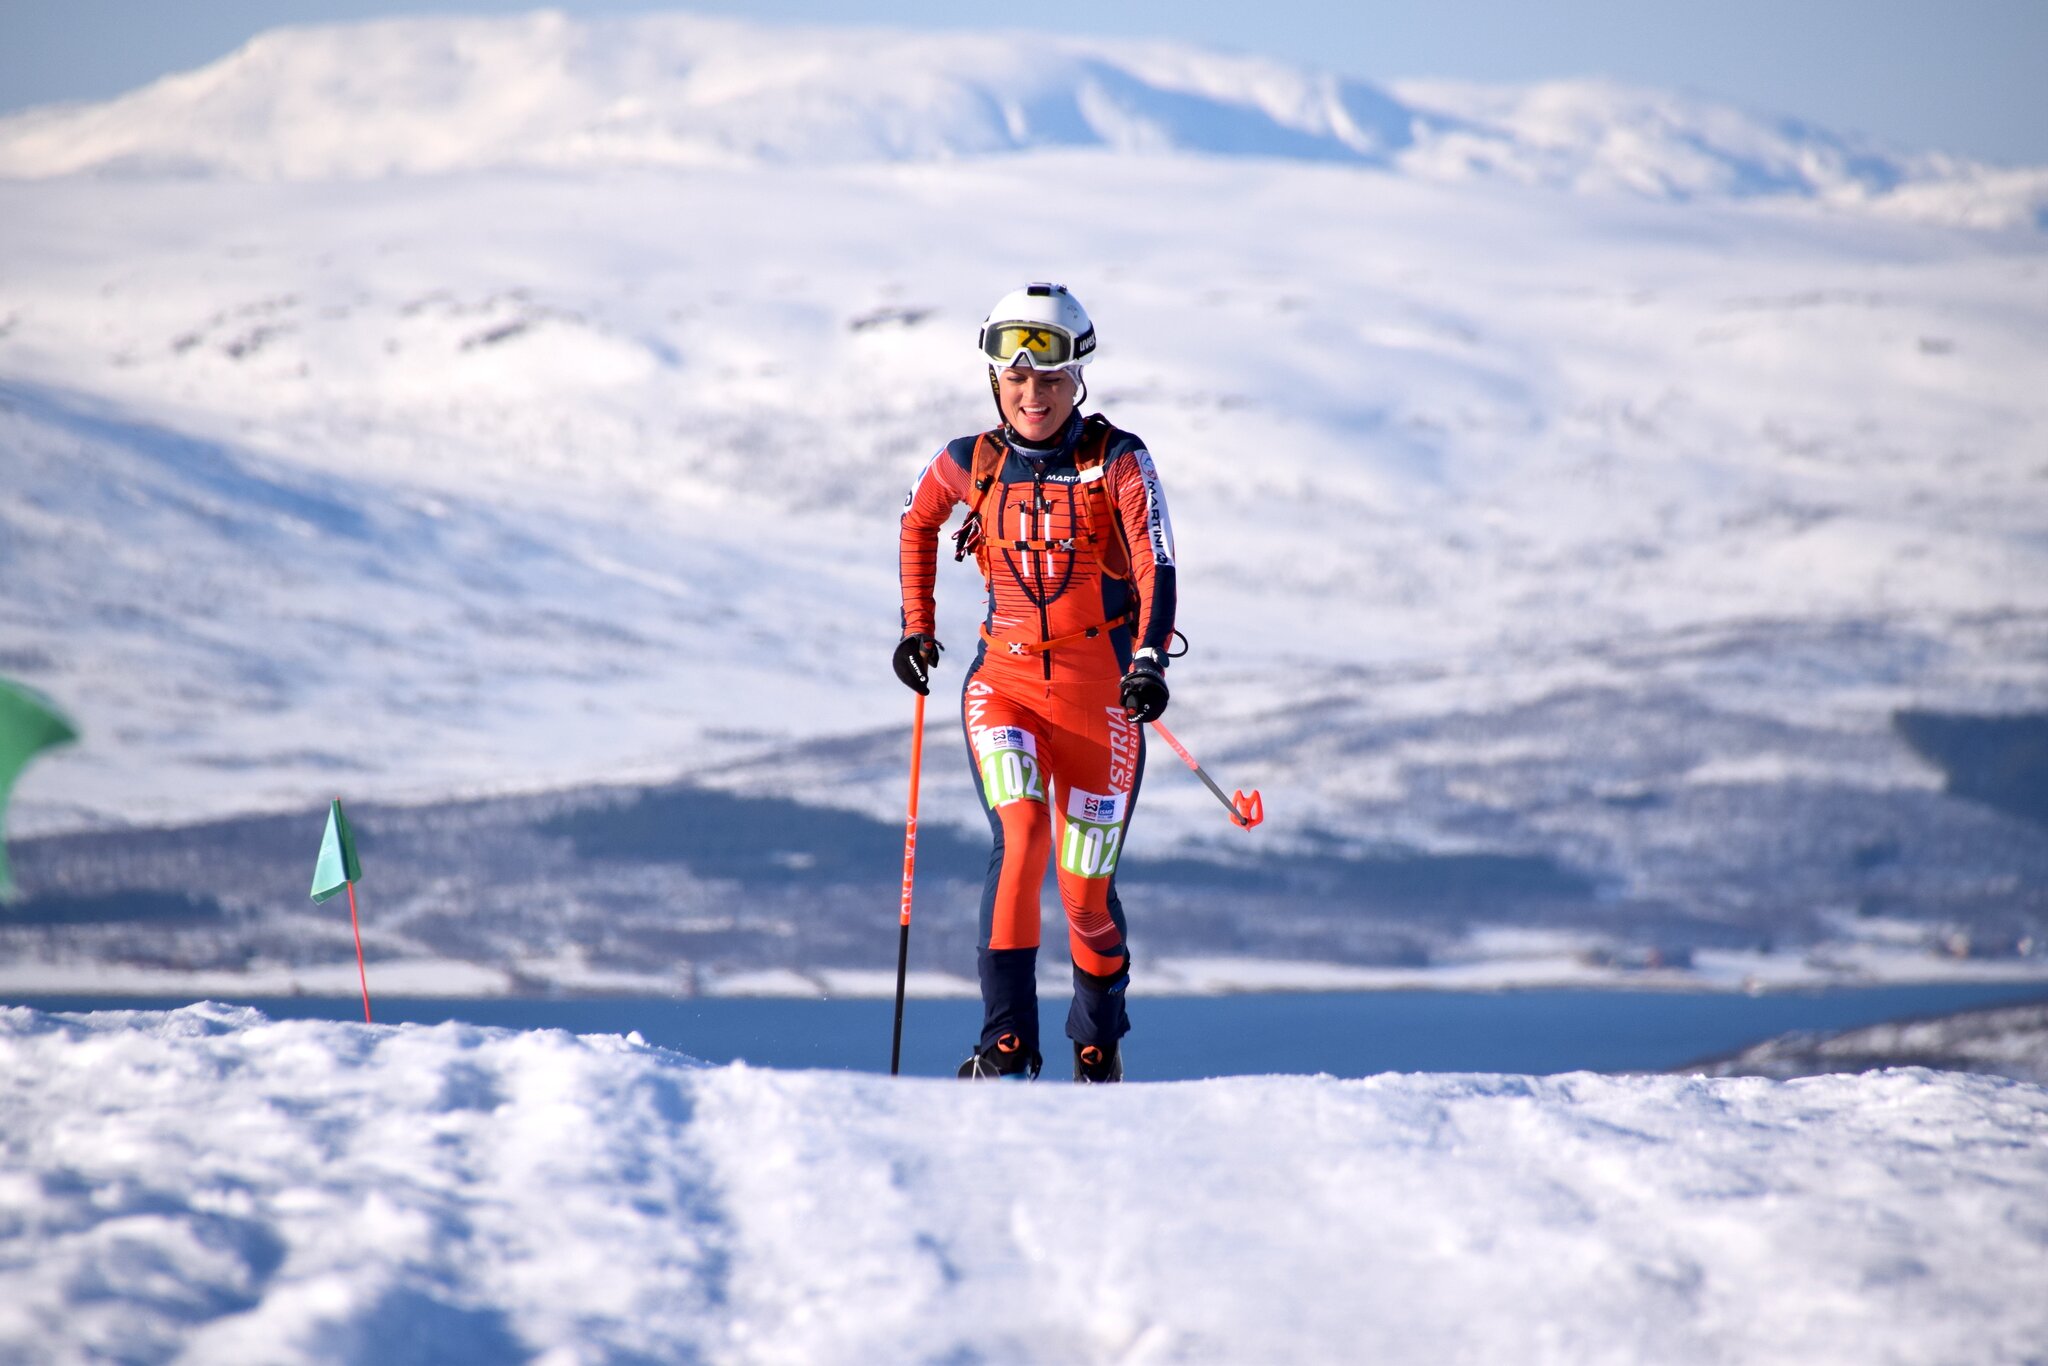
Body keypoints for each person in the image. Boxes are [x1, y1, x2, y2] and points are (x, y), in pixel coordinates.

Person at [894, 282, 1177, 1084]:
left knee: (1085, 896)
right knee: (1018, 837)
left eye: (1048, 379)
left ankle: (1098, 1038)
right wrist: (918, 625)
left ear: (1076, 378)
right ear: (995, 381)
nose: (1032, 394)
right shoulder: (968, 462)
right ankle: (1006, 1041)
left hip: (1102, 702)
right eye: (1016, 379)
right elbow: (917, 521)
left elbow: (1157, 562)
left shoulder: (1119, 461)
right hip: (1003, 688)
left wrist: (1149, 660)